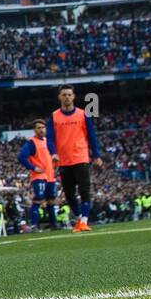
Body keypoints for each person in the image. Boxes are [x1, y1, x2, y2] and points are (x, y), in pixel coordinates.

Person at [47, 85, 101, 233]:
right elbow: (50, 138)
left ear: (74, 96)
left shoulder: (83, 114)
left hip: (81, 157)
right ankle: (79, 218)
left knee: (84, 190)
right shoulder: (54, 116)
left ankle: (84, 221)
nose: (67, 97)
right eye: (64, 95)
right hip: (63, 160)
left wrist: (96, 155)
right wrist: (53, 153)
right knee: (69, 194)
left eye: (69, 94)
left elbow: (91, 136)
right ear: (59, 97)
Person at [18, 118, 58, 230]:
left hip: (50, 176)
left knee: (51, 200)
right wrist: (33, 167)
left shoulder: (48, 141)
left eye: (43, 127)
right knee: (39, 198)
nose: (41, 130)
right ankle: (34, 225)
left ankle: (54, 224)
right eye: (38, 128)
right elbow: (21, 157)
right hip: (39, 176)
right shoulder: (31, 142)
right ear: (34, 130)